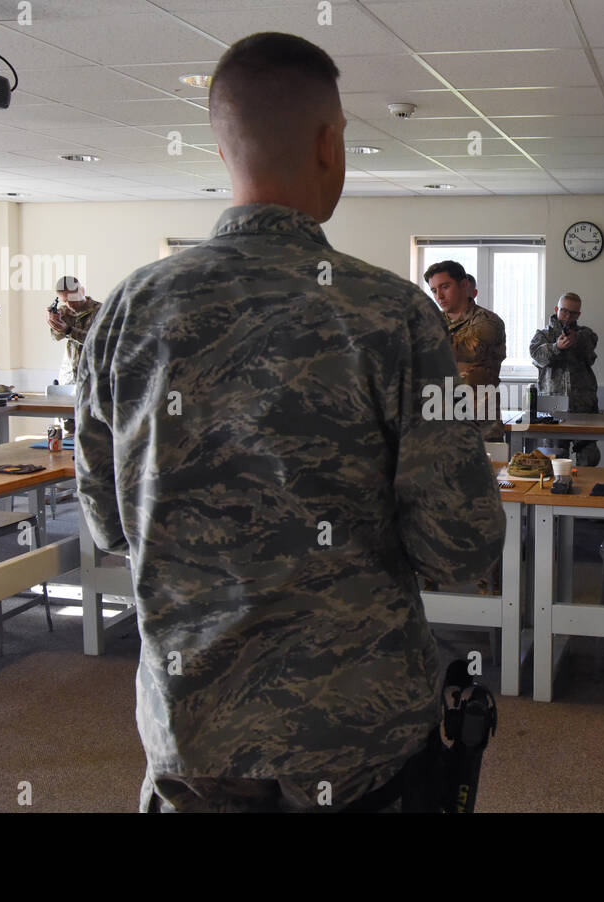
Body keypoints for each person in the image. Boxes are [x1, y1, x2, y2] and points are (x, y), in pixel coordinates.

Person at [74, 32, 504, 813]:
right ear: (329, 141)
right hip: (354, 731)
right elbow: (460, 542)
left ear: (221, 141)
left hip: (191, 729)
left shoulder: (128, 311)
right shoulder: (392, 314)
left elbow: (107, 522)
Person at [425, 260, 507, 444]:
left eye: (445, 287)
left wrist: (421, 342)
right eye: (433, 290)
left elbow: (471, 350)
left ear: (463, 285)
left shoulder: (487, 321)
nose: (439, 296)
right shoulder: (432, 322)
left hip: (479, 424)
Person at [529, 291, 601, 467]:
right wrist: (556, 347)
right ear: (556, 309)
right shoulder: (542, 335)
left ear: (579, 314)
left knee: (589, 458)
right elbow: (538, 355)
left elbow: (590, 348)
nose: (568, 316)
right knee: (554, 462)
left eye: (573, 313)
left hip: (583, 406)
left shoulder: (585, 334)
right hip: (552, 407)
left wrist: (576, 340)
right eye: (564, 311)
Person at [46, 275, 101, 434]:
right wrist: (55, 322)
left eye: (72, 298)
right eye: (65, 300)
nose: (69, 304)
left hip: (93, 378)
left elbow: (97, 341)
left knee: (94, 431)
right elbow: (56, 337)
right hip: (69, 380)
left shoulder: (101, 310)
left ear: (82, 290)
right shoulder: (64, 311)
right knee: (69, 431)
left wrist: (69, 330)